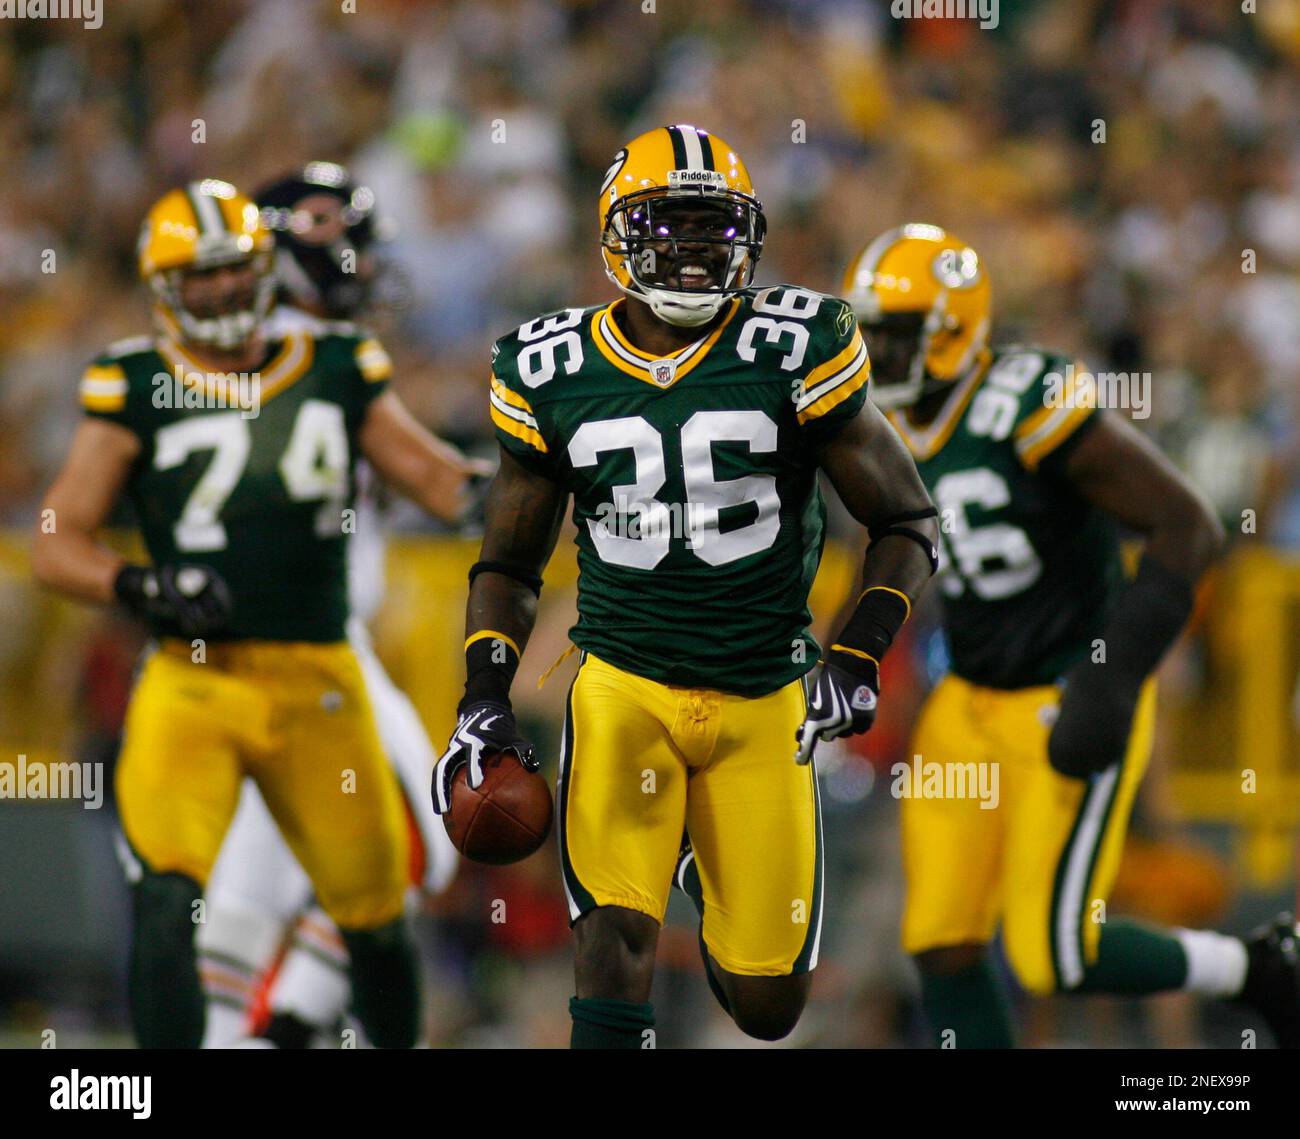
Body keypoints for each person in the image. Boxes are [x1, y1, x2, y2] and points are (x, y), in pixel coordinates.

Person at [432, 126, 938, 1048]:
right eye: (673, 229)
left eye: (714, 231)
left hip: (763, 691)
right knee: (613, 940)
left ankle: (705, 859)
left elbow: (905, 521)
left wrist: (858, 652)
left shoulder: (796, 346)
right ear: (619, 238)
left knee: (768, 1004)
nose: (697, 253)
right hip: (624, 682)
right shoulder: (552, 370)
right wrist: (482, 698)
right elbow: (508, 562)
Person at [32, 178, 478, 1048]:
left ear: (267, 267)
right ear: (165, 289)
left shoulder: (340, 365)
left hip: (319, 677)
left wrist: (536, 481)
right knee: (168, 895)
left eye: (236, 269)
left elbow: (437, 480)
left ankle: (303, 1020)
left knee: (379, 909)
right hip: (194, 680)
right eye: (200, 277)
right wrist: (139, 587)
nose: (224, 291)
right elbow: (58, 536)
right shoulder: (134, 379)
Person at [841, 222, 1300, 1048]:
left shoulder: (1025, 401)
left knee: (1051, 954)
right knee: (939, 939)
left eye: (893, 332)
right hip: (967, 701)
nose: (876, 350)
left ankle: (1254, 967)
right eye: (868, 331)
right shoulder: (883, 426)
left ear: (952, 331)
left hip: (1063, 694)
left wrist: (1115, 675)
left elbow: (1187, 524)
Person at [196, 162, 463, 1048]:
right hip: (300, 646)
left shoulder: (232, 349)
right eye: (352, 249)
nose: (368, 268)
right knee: (425, 831)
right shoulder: (308, 356)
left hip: (247, 650)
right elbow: (436, 480)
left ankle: (279, 1021)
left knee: (258, 884)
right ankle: (297, 1019)